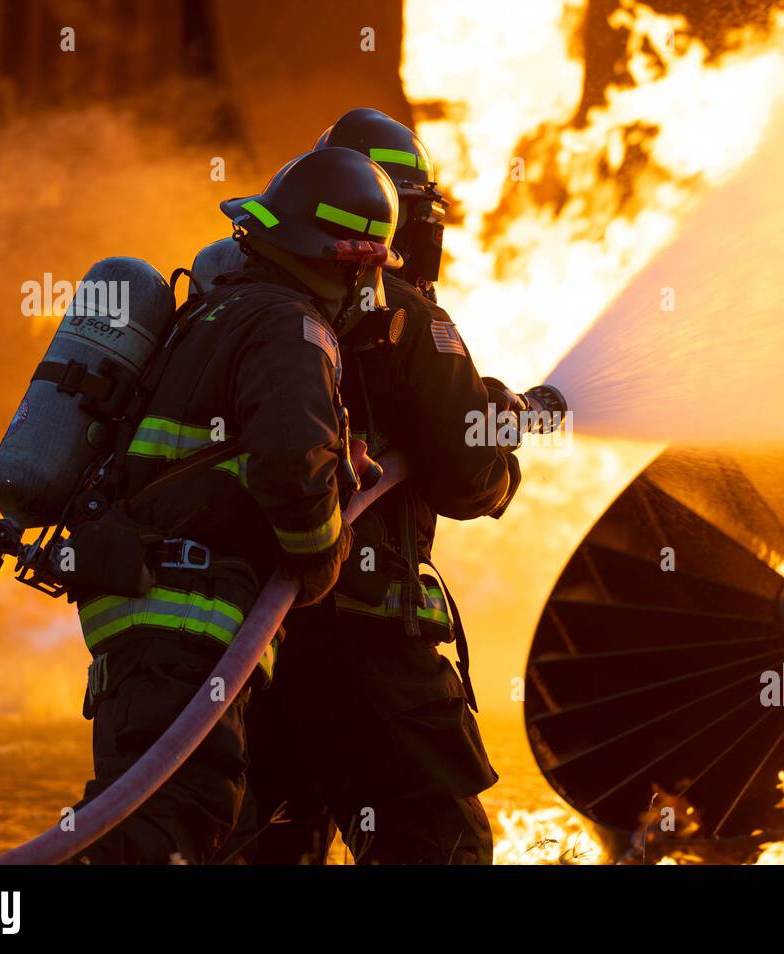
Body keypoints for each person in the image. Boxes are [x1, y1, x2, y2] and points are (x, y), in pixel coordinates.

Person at [71, 146, 405, 863]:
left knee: (179, 825)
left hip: (149, 619)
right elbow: (293, 471)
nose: (365, 289)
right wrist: (323, 556)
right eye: (365, 270)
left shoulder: (215, 314)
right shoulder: (292, 329)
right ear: (344, 259)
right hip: (185, 625)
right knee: (163, 837)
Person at [243, 109, 524, 865]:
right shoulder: (410, 318)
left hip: (256, 651)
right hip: (370, 647)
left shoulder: (259, 304)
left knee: (266, 845)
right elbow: (470, 477)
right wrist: (504, 440)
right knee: (436, 842)